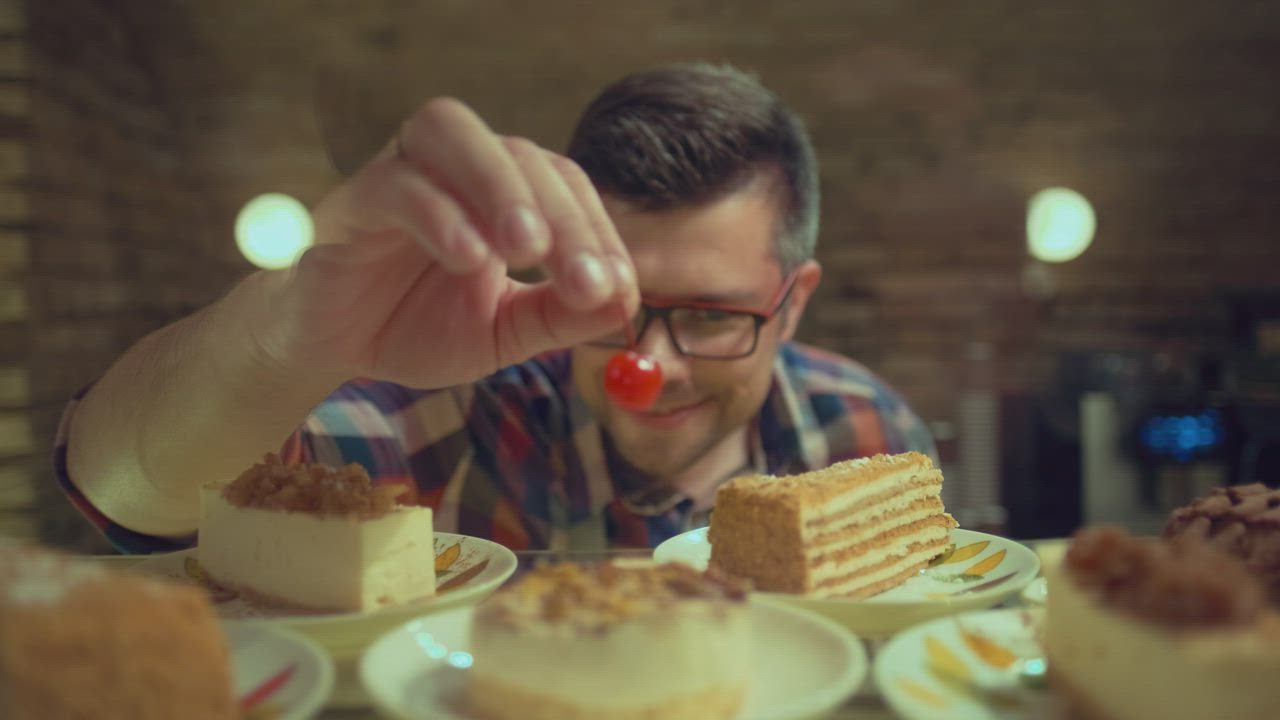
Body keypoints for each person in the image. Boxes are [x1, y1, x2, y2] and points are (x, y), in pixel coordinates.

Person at [55, 63, 935, 554]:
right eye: (616, 304)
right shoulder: (463, 413)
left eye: (711, 316)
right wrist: (289, 341)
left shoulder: (866, 429)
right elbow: (131, 492)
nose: (651, 369)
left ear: (791, 305)